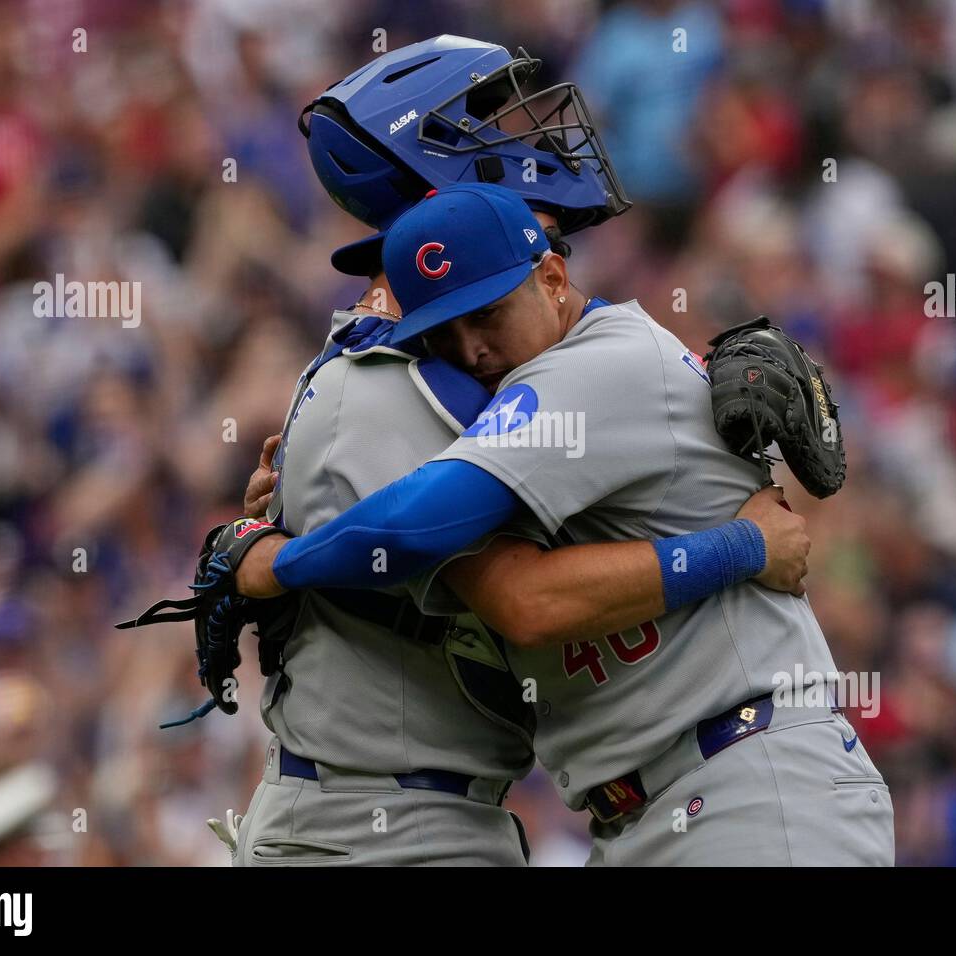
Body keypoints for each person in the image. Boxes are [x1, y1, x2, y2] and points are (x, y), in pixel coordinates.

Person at [213, 37, 809, 867]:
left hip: (525, 811)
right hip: (375, 829)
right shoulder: (397, 378)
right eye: (485, 124)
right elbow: (517, 594)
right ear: (429, 177)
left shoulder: (502, 367)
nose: (532, 138)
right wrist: (268, 560)